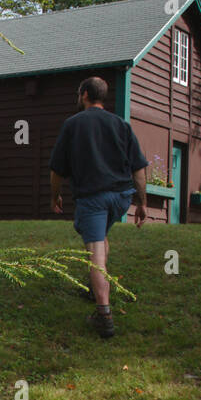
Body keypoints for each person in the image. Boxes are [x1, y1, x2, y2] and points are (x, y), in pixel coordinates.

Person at [49, 76, 149, 339]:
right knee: (101, 238)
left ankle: (103, 314)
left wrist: (54, 196)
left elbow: (56, 170)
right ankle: (96, 289)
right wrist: (141, 202)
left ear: (84, 94)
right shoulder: (121, 125)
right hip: (121, 197)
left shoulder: (73, 125)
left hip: (93, 198)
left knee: (95, 253)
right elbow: (139, 168)